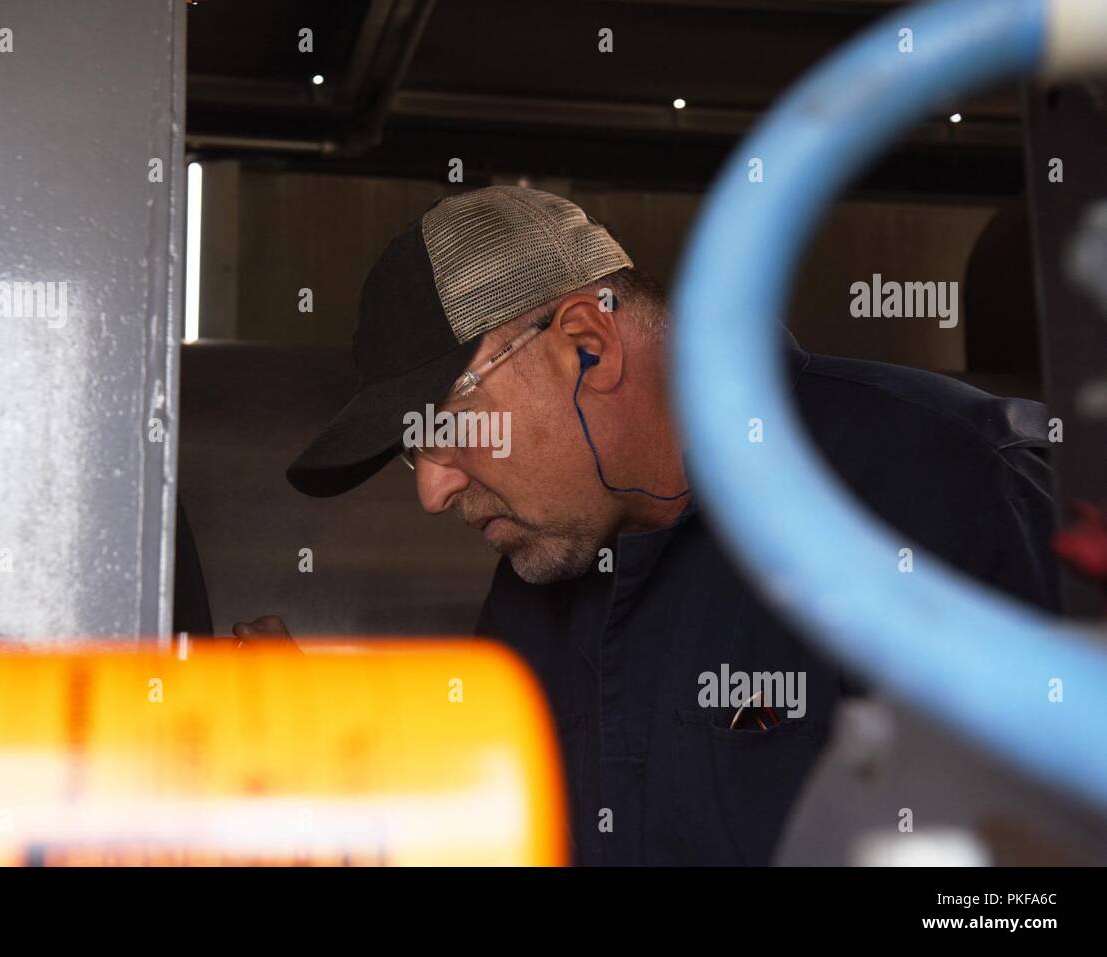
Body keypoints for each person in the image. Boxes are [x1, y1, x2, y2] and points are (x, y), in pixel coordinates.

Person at [272, 185, 1061, 864]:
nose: (434, 489)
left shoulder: (942, 487)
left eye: (443, 429)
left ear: (587, 345)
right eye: (417, 453)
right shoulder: (532, 590)